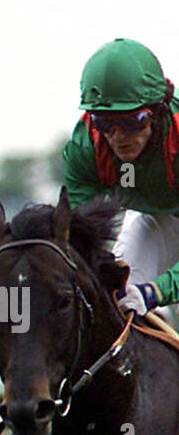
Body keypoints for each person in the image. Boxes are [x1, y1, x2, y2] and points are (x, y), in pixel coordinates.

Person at [64, 38, 179, 317]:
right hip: (162, 221)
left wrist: (157, 291)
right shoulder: (86, 148)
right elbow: (79, 238)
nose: (118, 137)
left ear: (157, 111)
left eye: (131, 121)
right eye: (104, 122)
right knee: (121, 295)